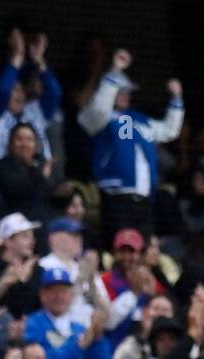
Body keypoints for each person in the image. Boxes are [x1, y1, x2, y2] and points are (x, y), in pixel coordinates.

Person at [77, 49, 184, 242]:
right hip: (117, 197)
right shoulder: (101, 117)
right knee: (119, 248)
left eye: (127, 92)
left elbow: (169, 131)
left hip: (143, 199)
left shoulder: (136, 120)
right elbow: (100, 108)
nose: (125, 95)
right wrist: (114, 72)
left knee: (140, 252)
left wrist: (176, 100)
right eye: (120, 91)